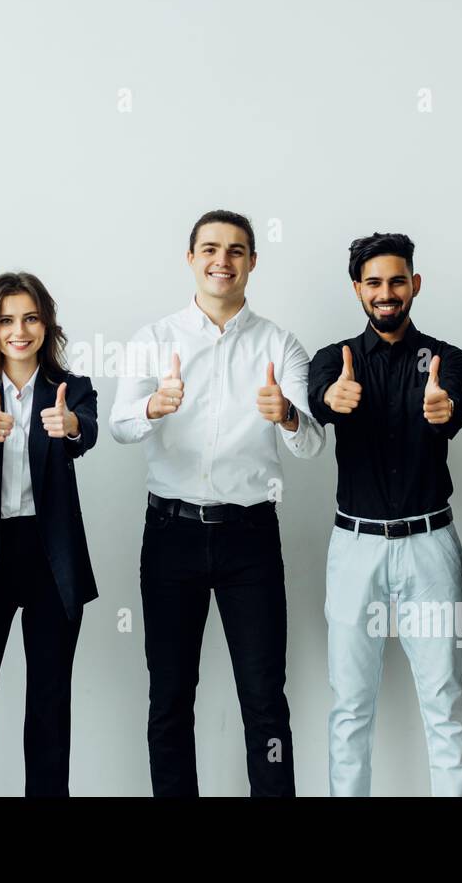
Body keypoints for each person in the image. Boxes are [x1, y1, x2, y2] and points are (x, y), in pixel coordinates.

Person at [110, 209, 324, 796]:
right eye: (209, 248)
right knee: (171, 696)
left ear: (253, 261)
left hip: (249, 537)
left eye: (235, 250)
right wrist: (154, 406)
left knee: (263, 696)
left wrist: (286, 413)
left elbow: (310, 445)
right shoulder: (154, 340)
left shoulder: (281, 344)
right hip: (170, 534)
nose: (221, 260)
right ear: (190, 258)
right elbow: (119, 427)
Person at [307, 232, 462, 797]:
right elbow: (317, 396)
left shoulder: (449, 359)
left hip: (432, 545)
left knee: (445, 702)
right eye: (374, 283)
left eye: (397, 281)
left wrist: (443, 407)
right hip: (355, 548)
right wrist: (333, 398)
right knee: (351, 706)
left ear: (415, 285)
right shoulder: (335, 359)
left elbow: (451, 409)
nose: (386, 293)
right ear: (358, 290)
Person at [0, 272, 99, 796]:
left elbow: (87, 431)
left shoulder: (70, 389)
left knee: (50, 705)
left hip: (50, 556)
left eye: (30, 317)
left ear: (46, 322)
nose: (19, 330)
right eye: (6, 319)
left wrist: (71, 425)